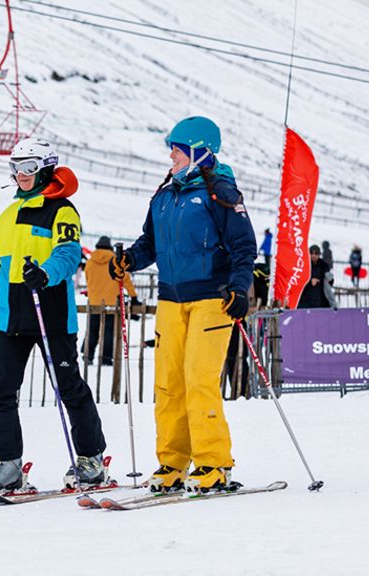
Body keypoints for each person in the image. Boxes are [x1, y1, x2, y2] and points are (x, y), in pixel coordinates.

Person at [0, 137, 109, 492]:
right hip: (9, 317)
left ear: (46, 168)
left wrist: (45, 272)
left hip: (50, 314)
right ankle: (7, 463)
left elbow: (68, 253)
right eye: (15, 169)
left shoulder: (62, 210)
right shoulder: (9, 214)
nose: (21, 175)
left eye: (29, 168)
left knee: (69, 389)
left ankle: (91, 458)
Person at [110, 116, 256, 493]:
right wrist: (130, 260)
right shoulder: (164, 195)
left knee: (198, 380)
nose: (171, 155)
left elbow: (244, 248)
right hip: (171, 300)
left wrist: (240, 289)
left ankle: (213, 462)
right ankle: (172, 461)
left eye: (177, 148)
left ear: (197, 150)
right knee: (168, 384)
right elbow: (149, 243)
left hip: (212, 299)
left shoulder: (220, 192)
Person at [84, 235, 138, 367]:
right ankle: (106, 358)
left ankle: (87, 355)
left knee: (92, 329)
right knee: (108, 331)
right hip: (111, 303)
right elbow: (126, 280)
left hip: (94, 302)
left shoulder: (90, 263)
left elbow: (88, 280)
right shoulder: (115, 263)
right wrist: (134, 296)